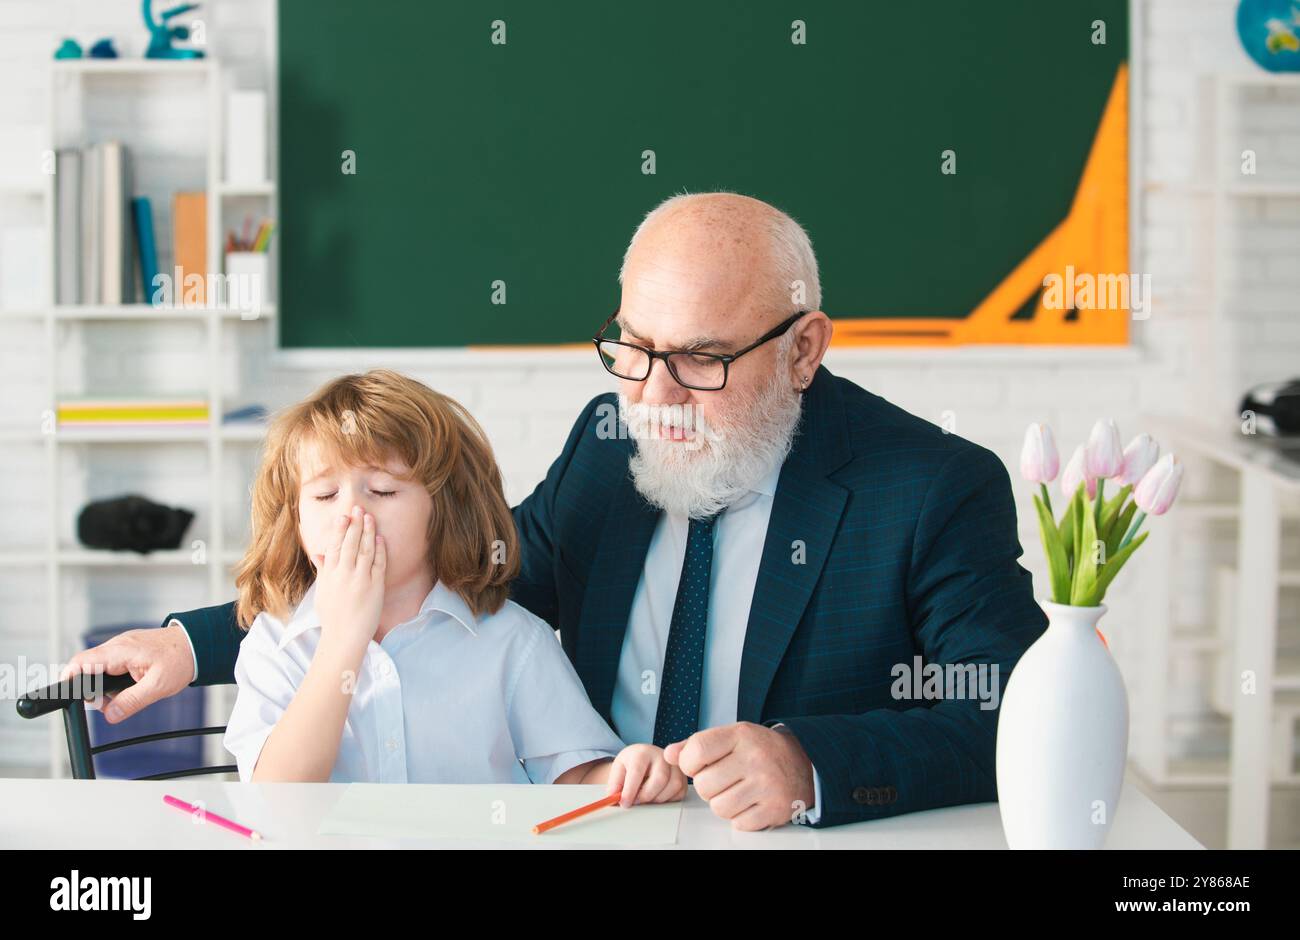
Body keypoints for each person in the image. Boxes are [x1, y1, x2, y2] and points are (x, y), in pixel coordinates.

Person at [65, 192, 1045, 829]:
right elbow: (456, 571)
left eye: (701, 360)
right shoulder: (611, 444)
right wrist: (193, 643)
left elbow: (1009, 712)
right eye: (634, 348)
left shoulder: (930, 486)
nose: (655, 397)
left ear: (802, 348)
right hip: (598, 827)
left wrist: (805, 762)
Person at [217, 369, 684, 805]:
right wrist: (342, 641)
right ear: (296, 521)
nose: (350, 514)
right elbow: (276, 800)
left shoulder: (512, 640)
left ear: (445, 510)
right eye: (324, 495)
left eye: (383, 491)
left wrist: (630, 775)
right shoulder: (274, 643)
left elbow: (577, 778)